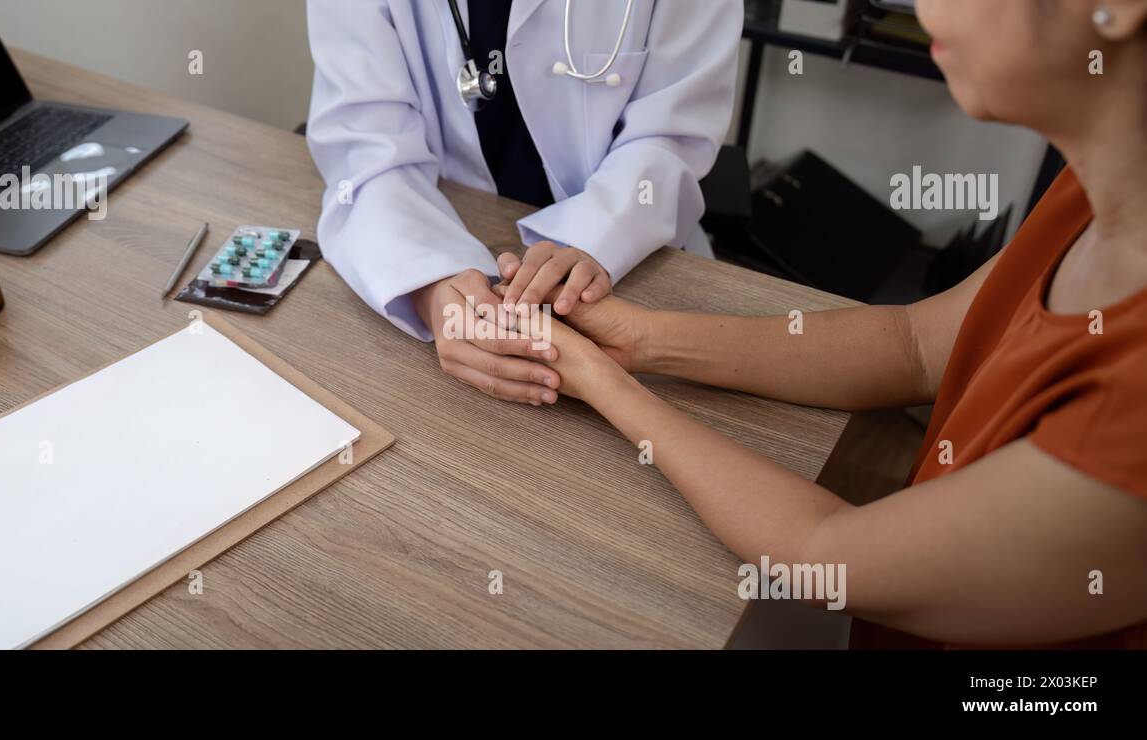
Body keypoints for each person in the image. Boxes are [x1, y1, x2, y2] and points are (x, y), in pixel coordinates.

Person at [510, 0, 1147, 648]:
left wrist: (601, 383)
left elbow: (825, 552)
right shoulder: (1095, 198)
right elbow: (917, 345)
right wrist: (642, 339)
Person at [306, 0, 741, 406]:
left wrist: (599, 235)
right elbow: (363, 143)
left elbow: (671, 133)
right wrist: (428, 283)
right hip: (455, 240)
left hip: (634, 259)